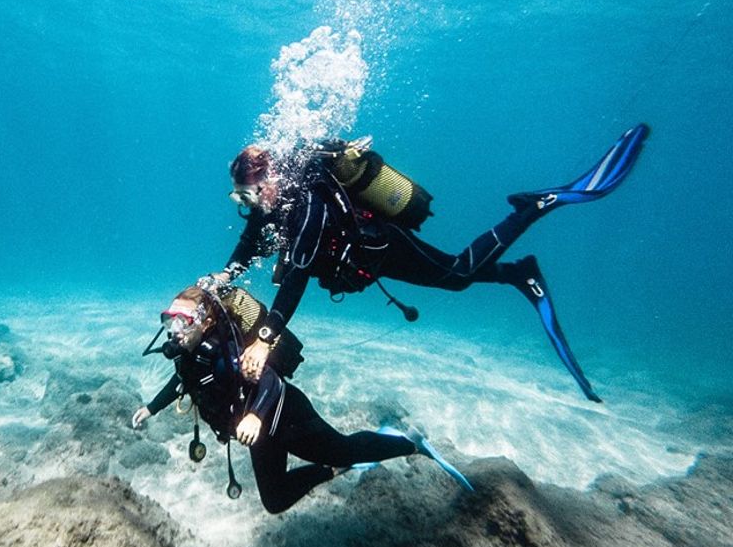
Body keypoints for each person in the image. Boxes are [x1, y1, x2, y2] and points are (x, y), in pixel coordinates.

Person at [211, 124, 651, 403]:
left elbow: (298, 275)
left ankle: (534, 207)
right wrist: (224, 277)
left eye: (248, 195)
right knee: (452, 278)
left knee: (458, 273)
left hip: (382, 247)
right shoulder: (271, 204)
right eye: (239, 197)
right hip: (363, 262)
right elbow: (250, 242)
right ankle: (518, 273)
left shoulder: (306, 202)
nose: (246, 205)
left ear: (271, 181)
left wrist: (266, 338)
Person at [131, 281, 465, 514]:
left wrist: (254, 416)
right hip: (259, 434)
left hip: (286, 417)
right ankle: (334, 470)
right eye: (168, 320)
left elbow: (271, 381)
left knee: (346, 449)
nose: (173, 330)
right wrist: (151, 407)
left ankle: (411, 444)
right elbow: (184, 380)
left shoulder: (228, 350)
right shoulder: (188, 355)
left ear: (204, 321)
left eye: (181, 321)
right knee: (275, 501)